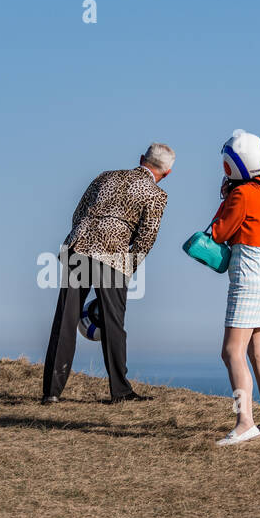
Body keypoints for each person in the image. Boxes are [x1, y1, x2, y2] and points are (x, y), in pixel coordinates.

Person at [42, 143, 173, 403]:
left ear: (141, 159)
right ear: (167, 173)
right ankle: (120, 392)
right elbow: (147, 238)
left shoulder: (105, 176)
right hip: (114, 256)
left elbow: (78, 213)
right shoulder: (156, 195)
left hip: (79, 247)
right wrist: (128, 267)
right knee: (113, 325)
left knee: (65, 320)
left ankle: (51, 393)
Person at [209, 132, 260, 445]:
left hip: (248, 278)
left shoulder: (241, 196)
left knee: (231, 352)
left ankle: (245, 422)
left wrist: (225, 199)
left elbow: (218, 232)